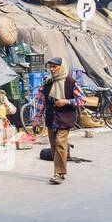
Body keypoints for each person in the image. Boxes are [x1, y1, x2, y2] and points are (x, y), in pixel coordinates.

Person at [43, 57, 84, 185]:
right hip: (51, 119)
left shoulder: (71, 82)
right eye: (50, 67)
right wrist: (36, 118)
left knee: (60, 143)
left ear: (61, 67)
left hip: (65, 119)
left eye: (55, 66)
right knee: (54, 146)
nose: (52, 69)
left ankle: (59, 174)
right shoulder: (47, 82)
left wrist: (67, 101)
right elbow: (41, 101)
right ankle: (58, 170)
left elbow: (82, 100)